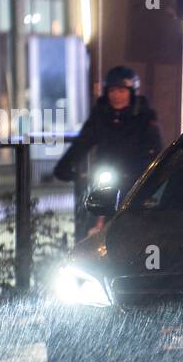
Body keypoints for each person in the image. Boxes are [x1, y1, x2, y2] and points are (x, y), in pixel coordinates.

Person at [54, 66, 162, 236]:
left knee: (135, 222)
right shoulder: (101, 114)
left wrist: (149, 171)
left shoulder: (144, 115)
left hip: (135, 176)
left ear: (131, 92)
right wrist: (65, 166)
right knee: (93, 218)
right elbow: (84, 140)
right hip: (107, 174)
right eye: (112, 90)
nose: (116, 95)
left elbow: (154, 147)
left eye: (121, 91)